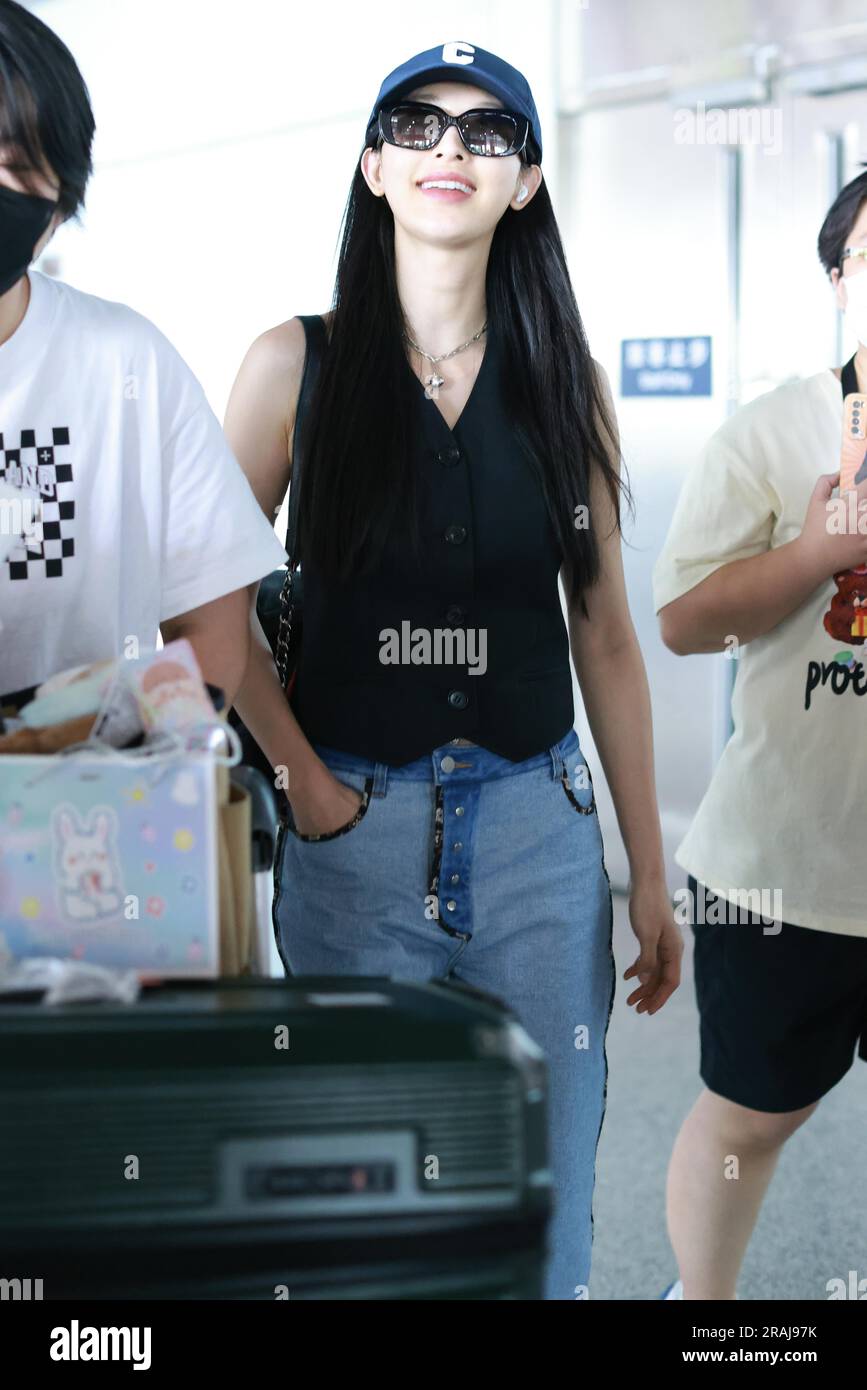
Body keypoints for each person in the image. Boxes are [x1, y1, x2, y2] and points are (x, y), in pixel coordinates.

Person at [227, 39, 681, 1300]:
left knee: (543, 1199)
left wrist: (650, 871)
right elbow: (199, 613)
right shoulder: (292, 367)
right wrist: (305, 784)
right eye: (417, 126)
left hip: (541, 834)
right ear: (374, 166)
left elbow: (603, 628)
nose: (450, 150)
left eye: (488, 134)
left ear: (525, 183)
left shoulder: (564, 386)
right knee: (368, 1205)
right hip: (354, 836)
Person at [654, 168, 867, 1300]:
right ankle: (705, 1307)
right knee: (753, 1111)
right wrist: (819, 552)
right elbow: (683, 619)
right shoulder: (774, 431)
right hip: (781, 866)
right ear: (841, 280)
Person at [0, 0, 286, 713]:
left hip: (74, 806)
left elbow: (210, 615)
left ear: (59, 203)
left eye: (14, 166)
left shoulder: (126, 362)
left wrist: (127, 757)